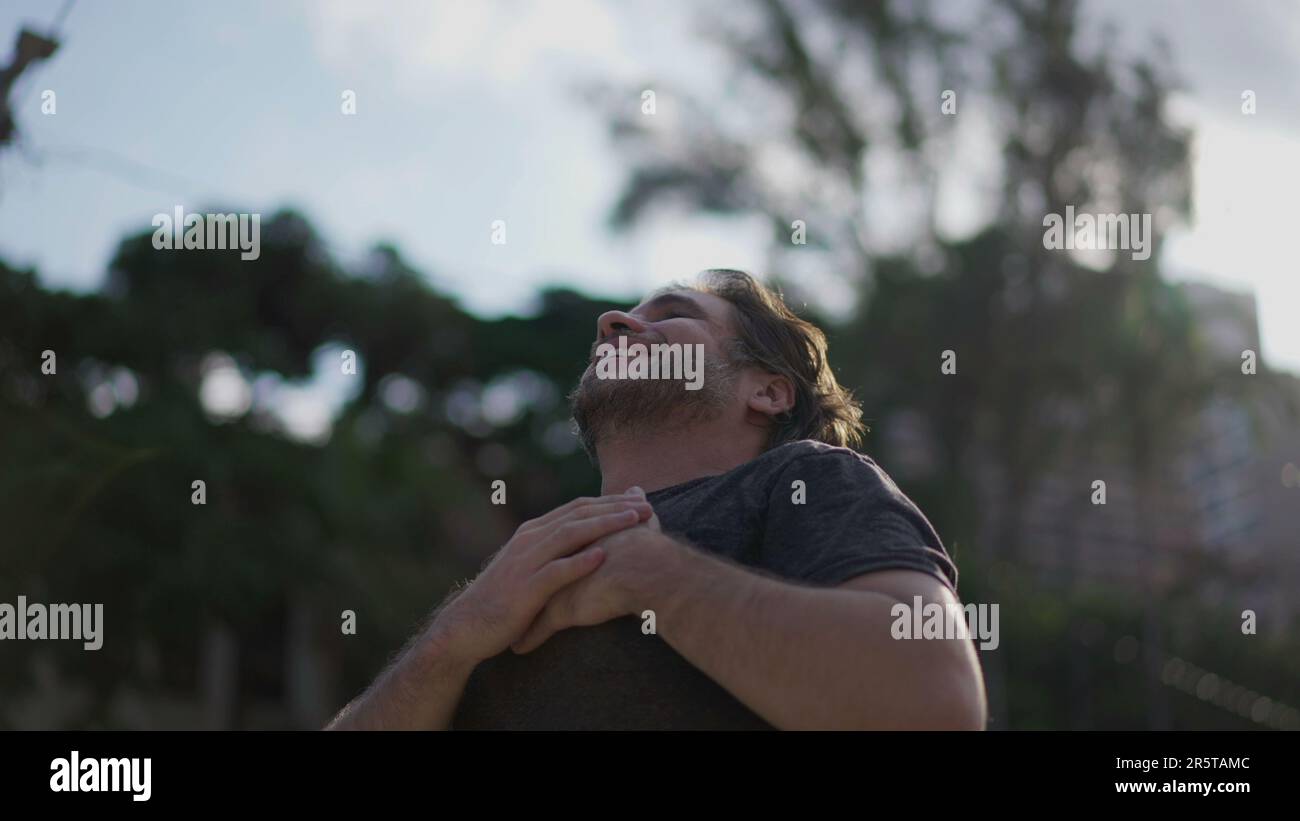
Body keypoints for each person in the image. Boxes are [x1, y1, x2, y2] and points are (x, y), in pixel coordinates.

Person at [327, 269, 986, 730]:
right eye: (624, 316)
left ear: (768, 390)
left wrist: (647, 575)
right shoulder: (527, 561)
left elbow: (936, 698)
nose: (613, 322)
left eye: (670, 314)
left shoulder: (808, 479)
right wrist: (453, 637)